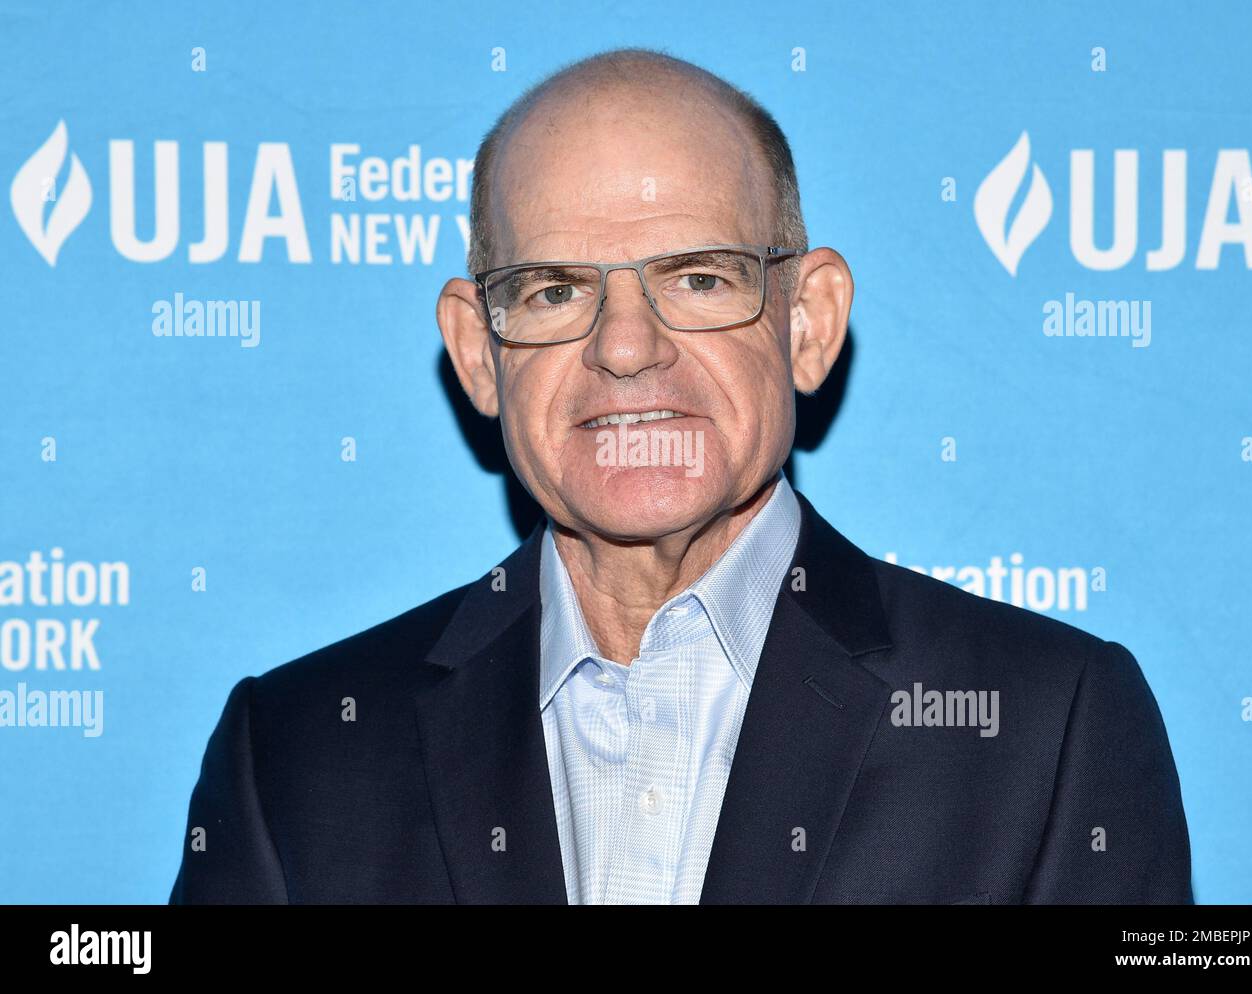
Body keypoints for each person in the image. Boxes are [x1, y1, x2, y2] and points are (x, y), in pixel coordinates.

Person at [169, 47, 1192, 904]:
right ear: (480, 353)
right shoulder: (298, 753)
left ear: (807, 322)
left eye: (697, 279)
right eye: (554, 288)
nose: (625, 348)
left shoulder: (1045, 726)